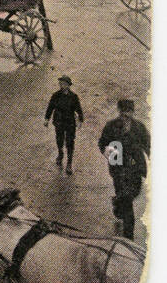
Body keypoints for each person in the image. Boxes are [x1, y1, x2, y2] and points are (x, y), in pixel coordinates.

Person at [97, 99, 150, 239]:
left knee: (134, 193)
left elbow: (148, 145)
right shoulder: (111, 126)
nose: (126, 116)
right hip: (119, 170)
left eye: (129, 113)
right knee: (128, 205)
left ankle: (117, 202)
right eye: (123, 113)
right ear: (119, 112)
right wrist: (109, 154)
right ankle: (128, 238)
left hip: (135, 169)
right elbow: (103, 142)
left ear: (132, 113)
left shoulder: (139, 127)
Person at [44, 74, 84, 175]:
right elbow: (50, 107)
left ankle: (69, 163)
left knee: (70, 142)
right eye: (60, 83)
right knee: (59, 140)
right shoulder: (56, 95)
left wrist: (80, 120)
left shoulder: (73, 97)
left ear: (68, 85)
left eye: (63, 84)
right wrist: (46, 119)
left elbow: (79, 109)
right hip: (59, 122)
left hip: (70, 122)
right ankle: (60, 154)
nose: (61, 85)